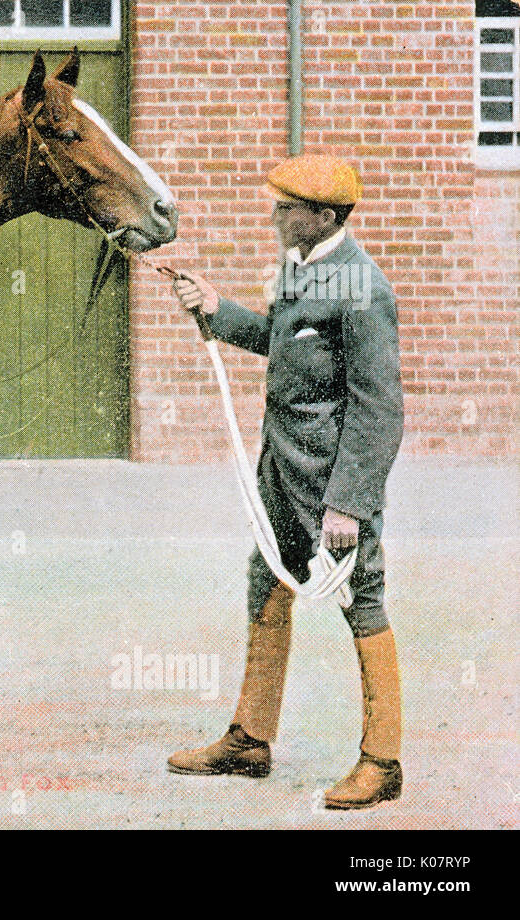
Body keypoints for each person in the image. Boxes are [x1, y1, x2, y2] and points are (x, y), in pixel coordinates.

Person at [167, 154, 406, 809]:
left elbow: (379, 406)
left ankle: (382, 761)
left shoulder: (363, 286)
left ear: (323, 216)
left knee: (362, 596)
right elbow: (283, 341)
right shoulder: (302, 270)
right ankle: (250, 740)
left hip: (332, 485)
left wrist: (350, 505)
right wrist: (215, 308)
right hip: (281, 469)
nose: (274, 216)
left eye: (286, 207)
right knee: (264, 581)